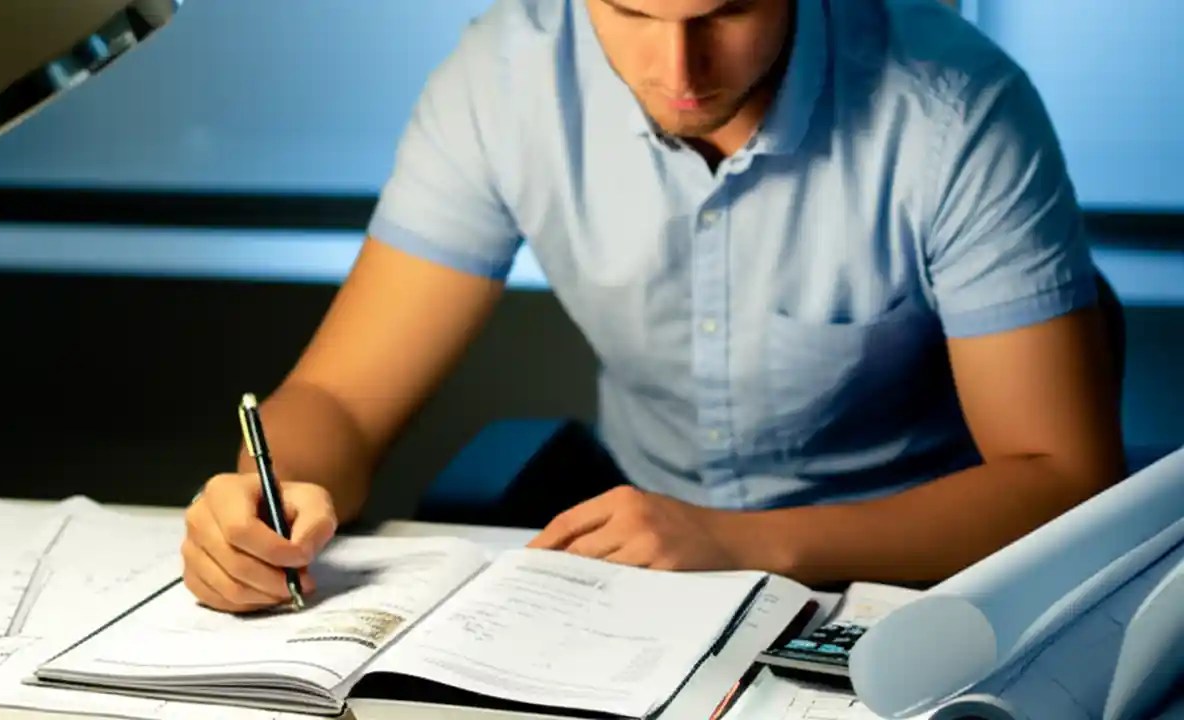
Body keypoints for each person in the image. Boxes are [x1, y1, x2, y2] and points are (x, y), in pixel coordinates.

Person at [181, 0, 1126, 613]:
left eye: (729, 9)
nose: (680, 67)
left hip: (916, 583)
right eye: (631, 8)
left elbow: (1060, 478)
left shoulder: (956, 109)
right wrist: (267, 500)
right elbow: (340, 400)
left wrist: (739, 543)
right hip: (645, 591)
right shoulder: (504, 79)